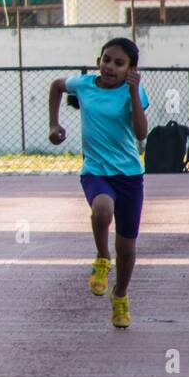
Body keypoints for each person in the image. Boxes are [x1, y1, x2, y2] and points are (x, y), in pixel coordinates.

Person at [47, 37, 150, 329]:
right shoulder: (84, 85)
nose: (110, 67)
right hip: (95, 170)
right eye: (106, 60)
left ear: (131, 69)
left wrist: (132, 90)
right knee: (102, 210)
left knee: (127, 248)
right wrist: (54, 124)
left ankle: (120, 296)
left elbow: (141, 133)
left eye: (119, 63)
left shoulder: (134, 91)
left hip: (129, 175)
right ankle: (102, 257)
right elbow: (56, 86)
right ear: (98, 61)